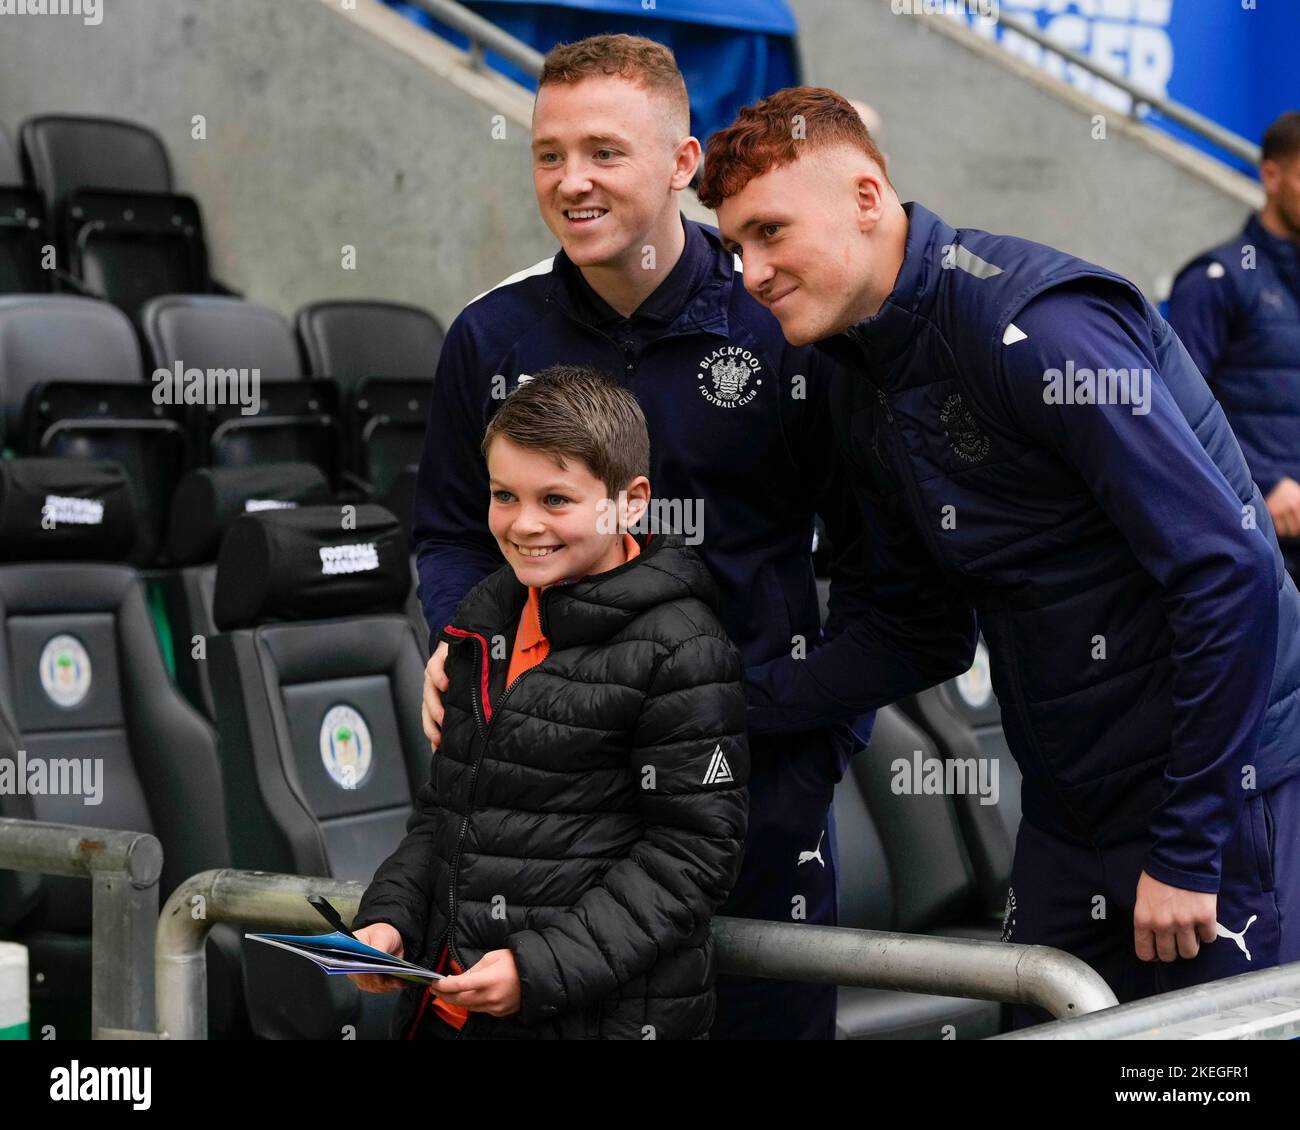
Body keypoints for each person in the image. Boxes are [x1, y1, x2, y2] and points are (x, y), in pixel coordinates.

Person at [698, 86, 1300, 1022]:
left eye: (771, 232)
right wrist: (717, 706)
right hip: (1069, 813)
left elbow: (1231, 572)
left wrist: (1188, 845)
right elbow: (911, 634)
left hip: (1220, 796)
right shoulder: (858, 379)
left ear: (866, 196)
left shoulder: (1037, 326)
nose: (753, 271)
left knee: (1200, 1081)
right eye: (736, 247)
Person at [415, 36, 900, 1040]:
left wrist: (806, 738)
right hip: (552, 805)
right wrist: (462, 636)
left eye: (603, 151)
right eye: (549, 154)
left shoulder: (783, 323)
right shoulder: (489, 339)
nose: (570, 180)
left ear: (683, 164)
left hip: (756, 791)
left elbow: (877, 568)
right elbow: (452, 531)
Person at [349, 366, 749, 1040]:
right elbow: (447, 813)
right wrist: (391, 917)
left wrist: (536, 969)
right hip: (449, 1012)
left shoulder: (682, 647)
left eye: (556, 500)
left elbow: (693, 856)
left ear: (631, 502)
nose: (524, 524)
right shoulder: (483, 624)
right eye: (505, 495)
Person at [1169, 110, 1300, 581]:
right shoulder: (1216, 280)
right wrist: (1264, 481)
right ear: (1271, 175)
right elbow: (1176, 409)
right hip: (1253, 542)